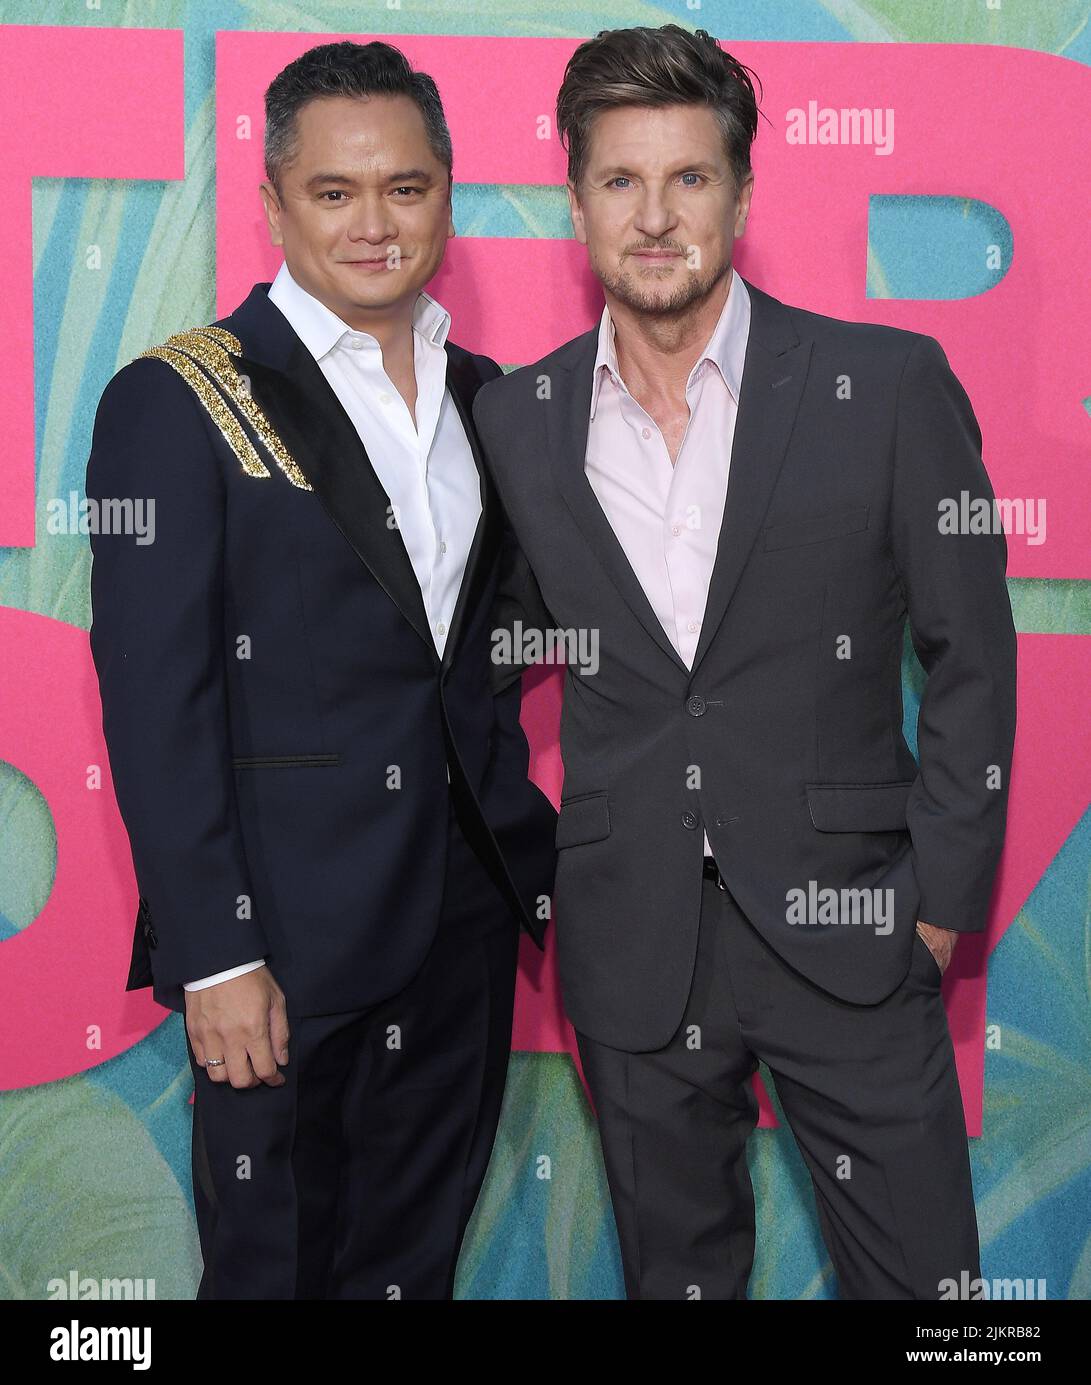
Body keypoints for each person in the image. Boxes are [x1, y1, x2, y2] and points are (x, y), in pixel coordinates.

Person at [473, 24, 1017, 1300]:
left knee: (929, 1295)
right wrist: (546, 882)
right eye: (619, 181)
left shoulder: (879, 386)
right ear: (575, 201)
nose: (653, 217)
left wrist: (935, 906)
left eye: (688, 178)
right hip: (631, 946)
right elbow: (483, 667)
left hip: (854, 927)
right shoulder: (517, 418)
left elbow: (971, 660)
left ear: (741, 192)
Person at [86, 39, 555, 1300]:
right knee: (273, 1270)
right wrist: (217, 956)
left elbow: (488, 658)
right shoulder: (180, 397)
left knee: (412, 1264)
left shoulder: (489, 400)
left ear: (447, 197)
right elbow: (154, 703)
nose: (374, 223)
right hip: (279, 949)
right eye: (335, 193)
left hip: (458, 928)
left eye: (404, 188)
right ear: (275, 204)